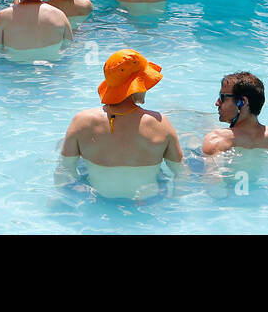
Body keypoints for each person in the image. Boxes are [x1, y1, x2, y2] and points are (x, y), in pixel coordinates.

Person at [57, 49, 184, 200]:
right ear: (138, 84)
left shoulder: (81, 122)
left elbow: (65, 170)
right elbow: (181, 172)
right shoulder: (160, 124)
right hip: (147, 201)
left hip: (97, 200)